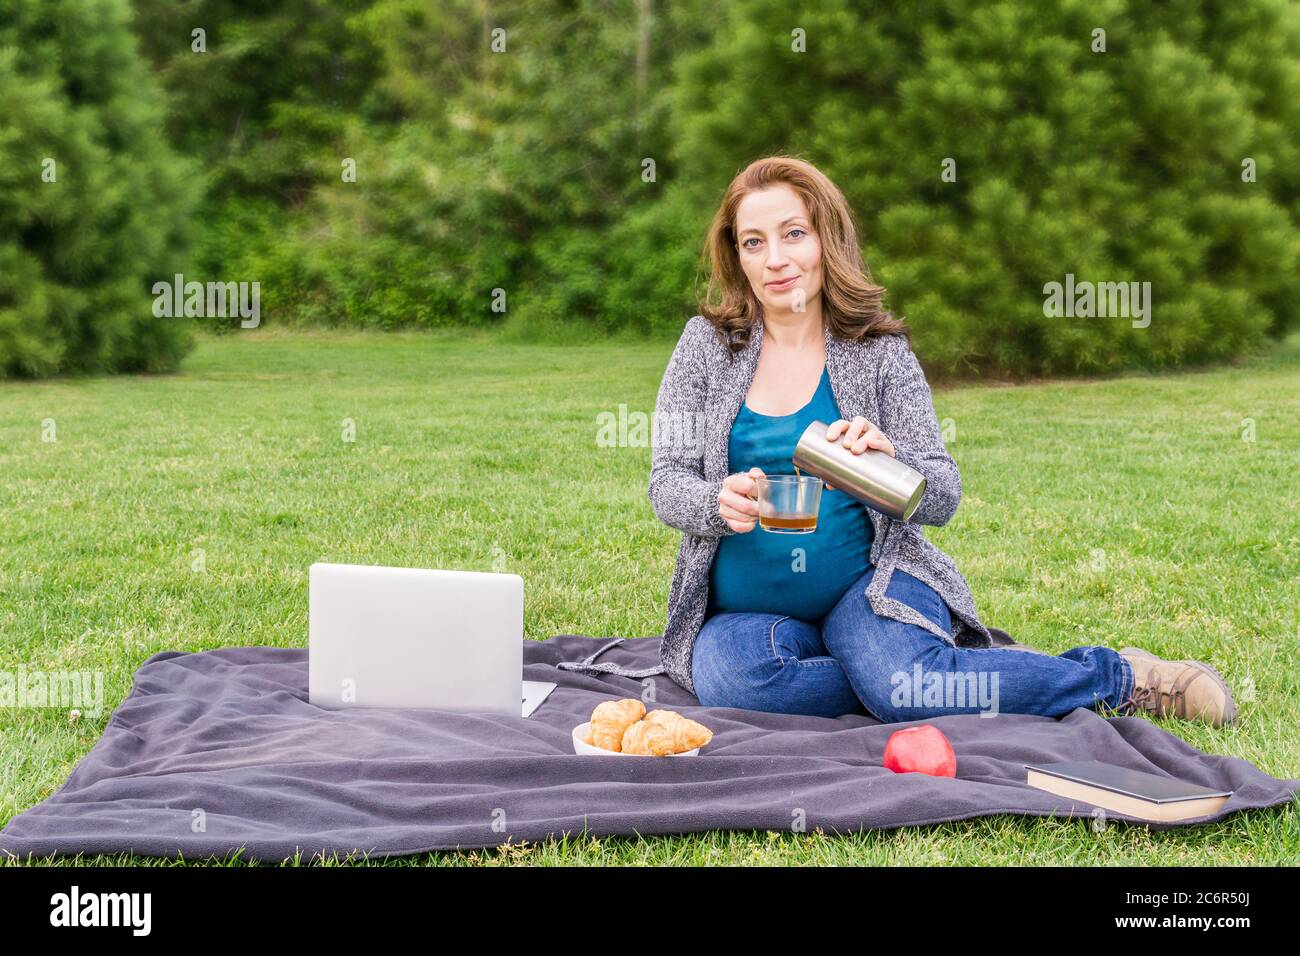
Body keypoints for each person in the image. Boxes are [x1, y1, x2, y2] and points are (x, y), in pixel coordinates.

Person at [646, 155, 1236, 727]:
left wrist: (889, 464)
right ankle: (926, 678)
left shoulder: (878, 353)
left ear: (827, 239)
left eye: (793, 234)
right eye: (754, 242)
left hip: (866, 585)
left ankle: (1119, 679)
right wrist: (715, 503)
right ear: (737, 255)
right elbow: (666, 482)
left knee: (903, 686)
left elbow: (944, 495)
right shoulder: (706, 346)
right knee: (735, 682)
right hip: (748, 611)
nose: (775, 259)